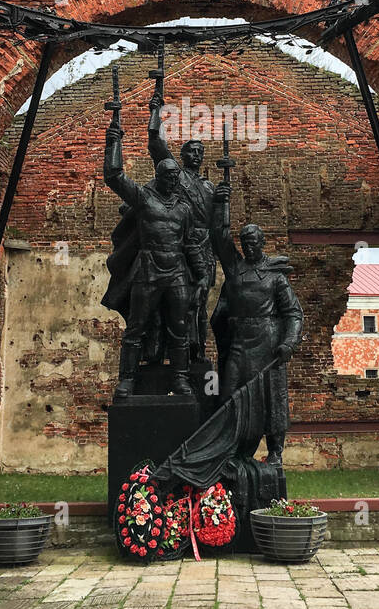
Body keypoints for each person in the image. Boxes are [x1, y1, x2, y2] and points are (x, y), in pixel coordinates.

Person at [102, 118, 205, 398]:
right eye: (169, 178)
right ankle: (127, 379)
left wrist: (202, 275)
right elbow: (114, 176)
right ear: (158, 177)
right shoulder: (144, 199)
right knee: (136, 327)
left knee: (180, 327)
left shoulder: (183, 209)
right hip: (148, 270)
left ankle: (180, 379)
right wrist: (114, 141)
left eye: (175, 178)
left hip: (176, 272)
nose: (173, 182)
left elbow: (190, 244)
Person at [209, 181, 303, 462]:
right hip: (239, 342)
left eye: (254, 242)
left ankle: (275, 451)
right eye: (245, 242)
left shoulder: (276, 277)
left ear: (262, 243)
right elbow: (219, 236)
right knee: (229, 395)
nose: (249, 247)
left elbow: (294, 313)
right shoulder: (235, 268)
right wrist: (221, 203)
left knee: (271, 397)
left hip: (268, 340)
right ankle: (230, 448)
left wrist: (288, 341)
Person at [147, 92, 216, 357]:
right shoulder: (176, 176)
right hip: (180, 247)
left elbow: (218, 225)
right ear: (183, 155)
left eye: (201, 151)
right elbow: (156, 144)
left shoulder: (210, 187)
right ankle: (170, 353)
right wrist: (156, 111)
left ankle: (198, 351)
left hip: (204, 250)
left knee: (200, 303)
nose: (197, 155)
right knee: (177, 303)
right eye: (192, 151)